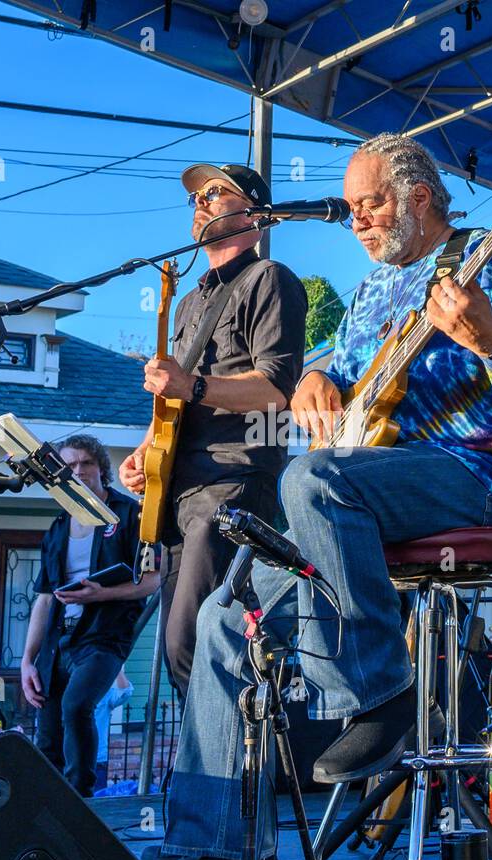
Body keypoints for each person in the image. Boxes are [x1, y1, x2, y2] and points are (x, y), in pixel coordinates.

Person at [157, 133, 492, 860]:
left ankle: (378, 697)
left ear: (420, 198)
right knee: (226, 616)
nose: (357, 220)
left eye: (371, 203)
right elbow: (339, 386)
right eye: (351, 208)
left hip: (477, 480)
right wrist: (317, 381)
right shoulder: (369, 293)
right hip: (364, 503)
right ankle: (210, 849)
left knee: (309, 480)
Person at [118, 163, 307, 696]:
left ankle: (240, 774)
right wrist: (143, 453)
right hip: (181, 489)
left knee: (198, 643)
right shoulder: (189, 302)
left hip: (232, 483)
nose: (200, 202)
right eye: (196, 197)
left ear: (256, 214)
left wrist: (193, 386)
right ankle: (208, 771)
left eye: (216, 193)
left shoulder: (270, 280)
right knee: (182, 657)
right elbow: (179, 400)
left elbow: (276, 389)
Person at [21, 435, 158, 797]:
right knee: (47, 733)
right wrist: (27, 660)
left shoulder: (128, 515)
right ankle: (47, 808)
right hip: (59, 639)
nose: (78, 471)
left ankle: (80, 797)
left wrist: (103, 593)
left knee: (77, 704)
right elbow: (44, 598)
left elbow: (152, 581)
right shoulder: (58, 527)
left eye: (86, 464)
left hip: (104, 635)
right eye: (70, 466)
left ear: (101, 469)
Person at [92, 668, 134, 791]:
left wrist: (116, 667)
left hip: (97, 759)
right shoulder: (68, 694)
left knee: (97, 800)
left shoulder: (103, 695)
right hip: (70, 758)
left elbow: (125, 692)